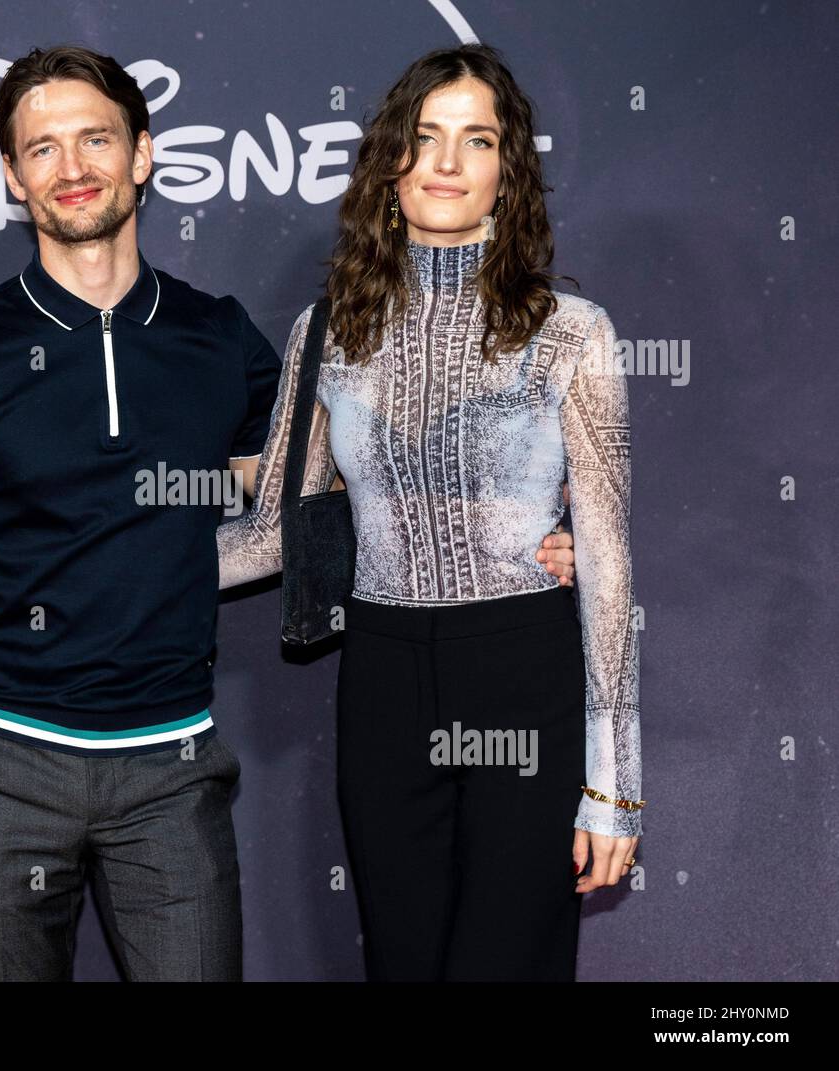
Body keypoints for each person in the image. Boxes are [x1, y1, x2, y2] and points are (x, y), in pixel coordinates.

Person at [0, 43, 577, 982]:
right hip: (0, 766)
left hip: (171, 772)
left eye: (96, 139)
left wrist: (519, 532)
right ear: (15, 178)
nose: (73, 169)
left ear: (143, 154)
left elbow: (330, 498)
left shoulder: (220, 339)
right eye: (42, 150)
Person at [217, 43, 641, 981]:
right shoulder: (329, 328)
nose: (448, 163)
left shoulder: (572, 331)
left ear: (507, 170)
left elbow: (607, 569)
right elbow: (262, 541)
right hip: (383, 683)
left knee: (510, 964)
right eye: (424, 138)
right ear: (389, 164)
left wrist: (616, 789)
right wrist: (99, 553)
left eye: (476, 140)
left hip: (522, 670)